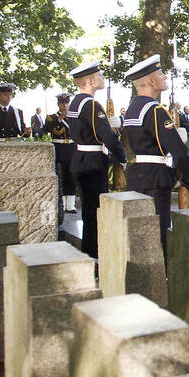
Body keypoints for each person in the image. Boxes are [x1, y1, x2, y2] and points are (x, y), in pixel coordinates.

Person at [120, 56, 189, 251]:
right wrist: (188, 180)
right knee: (159, 236)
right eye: (160, 73)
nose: (165, 76)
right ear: (151, 81)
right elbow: (180, 152)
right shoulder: (154, 110)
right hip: (156, 177)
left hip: (138, 175)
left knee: (140, 235)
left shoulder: (133, 108)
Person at [67, 61, 127, 259]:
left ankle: (89, 251)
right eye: (99, 76)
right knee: (95, 214)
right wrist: (121, 157)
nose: (102, 79)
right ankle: (94, 255)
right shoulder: (91, 104)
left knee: (89, 211)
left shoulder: (75, 102)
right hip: (93, 162)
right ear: (91, 81)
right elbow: (106, 136)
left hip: (81, 159)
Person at [42, 93, 76, 214]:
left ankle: (70, 204)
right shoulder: (51, 117)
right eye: (62, 103)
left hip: (72, 148)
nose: (64, 105)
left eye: (66, 103)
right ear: (58, 104)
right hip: (59, 149)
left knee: (71, 176)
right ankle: (60, 203)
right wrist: (60, 119)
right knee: (60, 176)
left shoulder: (74, 117)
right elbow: (46, 129)